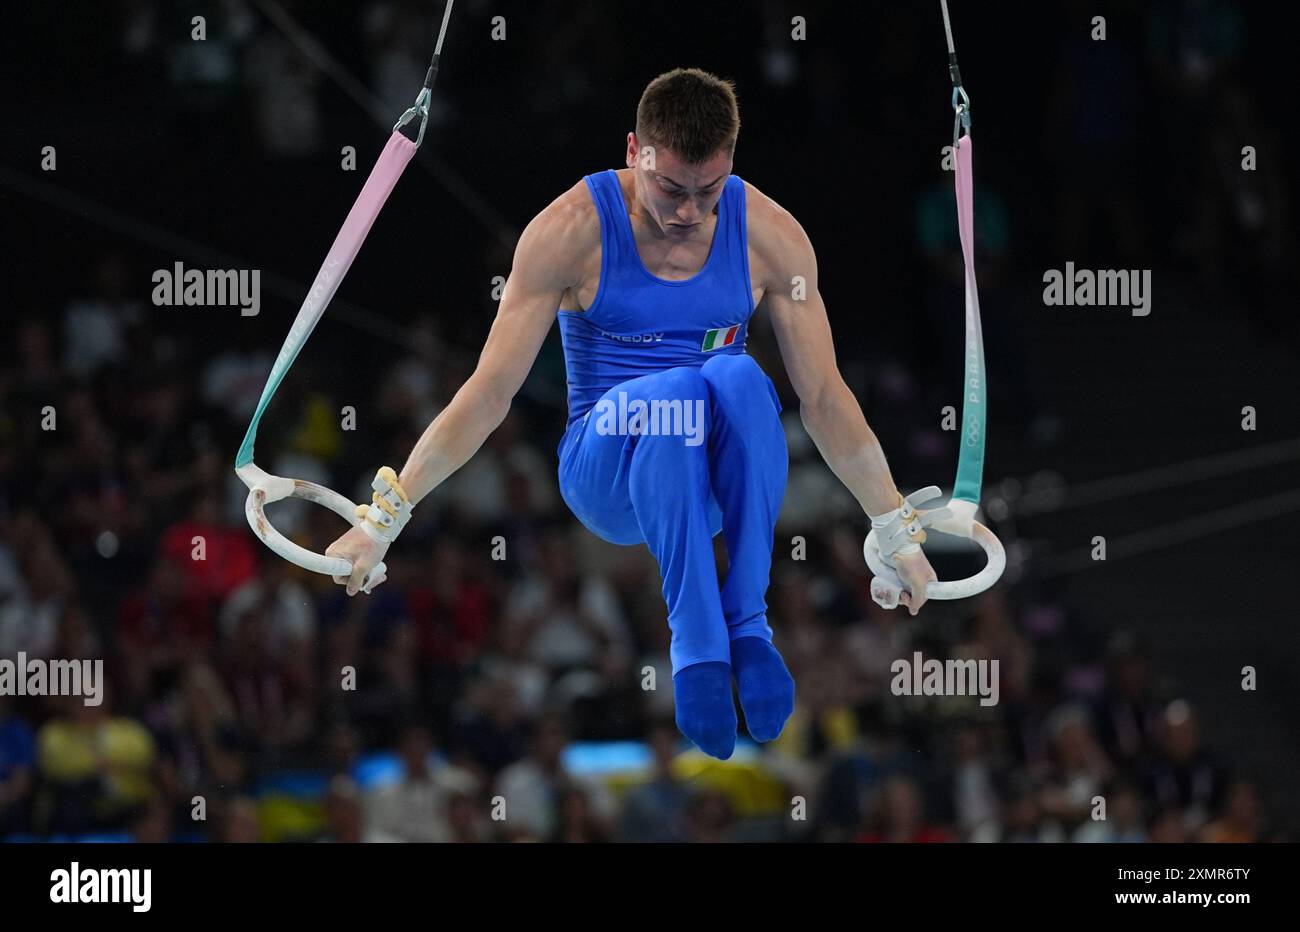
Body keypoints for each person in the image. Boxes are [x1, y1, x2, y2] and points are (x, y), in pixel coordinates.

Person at [325, 68, 940, 760]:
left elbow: (825, 400)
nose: (687, 211)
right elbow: (489, 393)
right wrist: (386, 517)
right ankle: (698, 642)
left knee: (740, 377)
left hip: (704, 488)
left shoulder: (771, 236)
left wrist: (894, 527)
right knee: (679, 390)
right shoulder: (568, 232)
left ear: (730, 163)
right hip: (606, 474)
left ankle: (748, 624)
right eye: (670, 188)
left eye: (707, 192)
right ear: (633, 152)